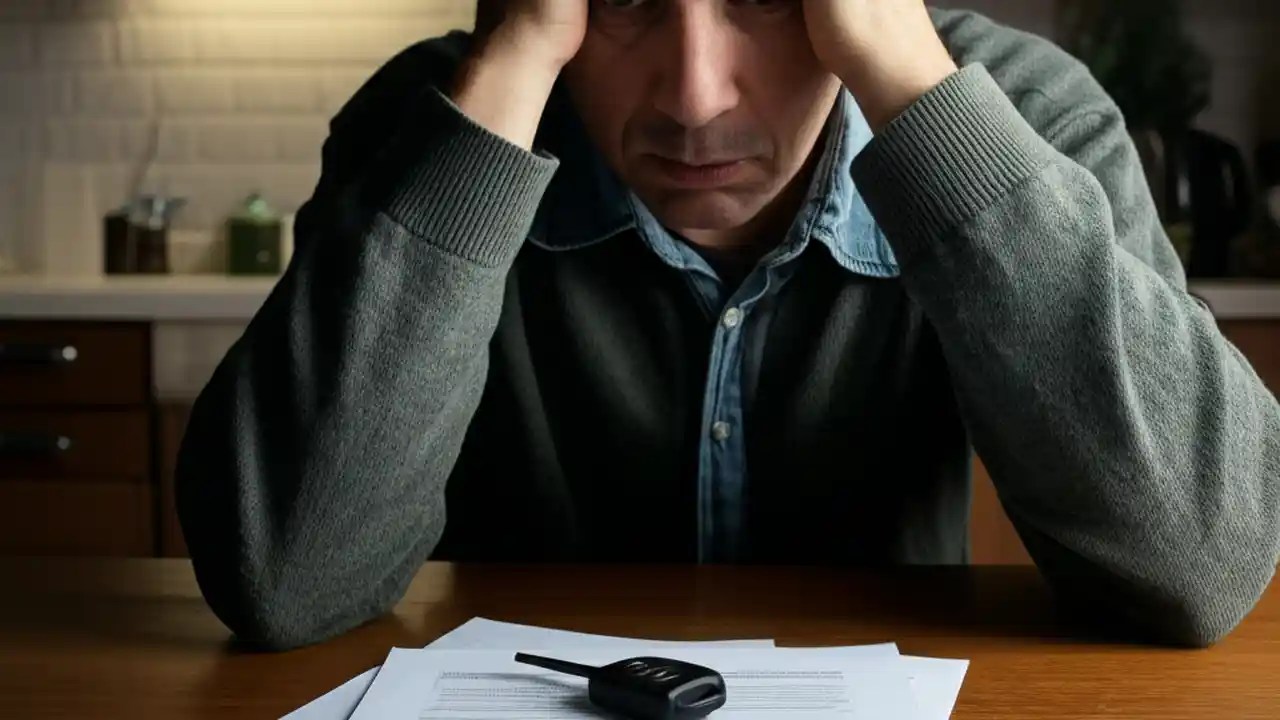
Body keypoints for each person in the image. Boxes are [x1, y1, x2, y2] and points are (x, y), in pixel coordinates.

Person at [175, 0, 1280, 652]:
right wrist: (507, 76)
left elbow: (1199, 566)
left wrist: (906, 83)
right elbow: (288, 581)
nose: (694, 98)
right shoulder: (447, 120)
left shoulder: (1020, 112)